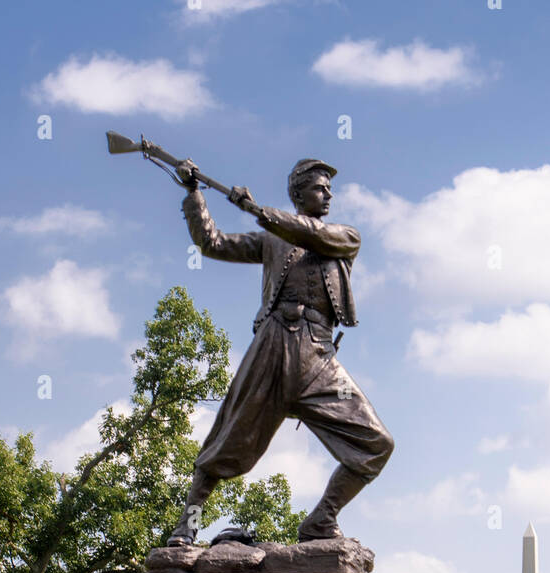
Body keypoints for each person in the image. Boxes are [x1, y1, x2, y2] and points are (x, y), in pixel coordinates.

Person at [167, 157, 394, 547]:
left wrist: (258, 211)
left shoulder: (344, 237)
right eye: (320, 188)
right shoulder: (272, 238)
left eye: (329, 189)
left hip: (318, 358)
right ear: (298, 193)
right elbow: (212, 243)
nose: (328, 195)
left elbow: (311, 235)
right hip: (272, 347)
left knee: (375, 444)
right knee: (225, 441)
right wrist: (193, 194)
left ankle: (321, 521)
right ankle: (186, 527)